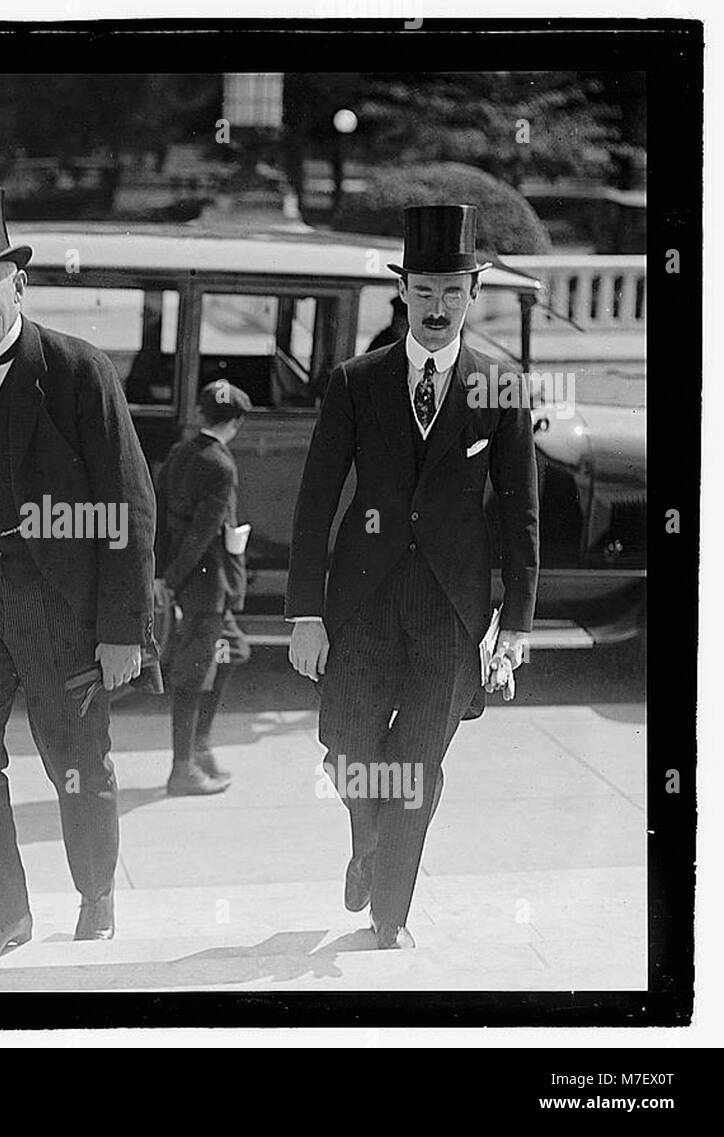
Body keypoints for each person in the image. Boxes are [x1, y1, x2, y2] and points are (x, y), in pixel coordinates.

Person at [0, 186, 157, 969]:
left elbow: (130, 504)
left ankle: (96, 896)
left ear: (20, 283)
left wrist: (123, 630)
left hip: (62, 604)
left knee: (75, 756)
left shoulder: (80, 371)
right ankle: (6, 912)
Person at [285, 204, 539, 950]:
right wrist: (306, 613)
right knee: (349, 744)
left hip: (454, 611)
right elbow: (314, 500)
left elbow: (523, 513)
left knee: (418, 761)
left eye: (451, 292)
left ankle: (389, 911)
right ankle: (368, 841)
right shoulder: (355, 382)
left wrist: (515, 625)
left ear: (472, 295)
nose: (436, 308)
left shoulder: (501, 386)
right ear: (404, 293)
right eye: (423, 291)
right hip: (361, 602)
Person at [154, 381, 253, 795]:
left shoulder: (180, 454)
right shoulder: (221, 466)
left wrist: (162, 573)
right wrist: (171, 583)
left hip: (196, 584)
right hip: (205, 587)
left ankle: (200, 745)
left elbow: (162, 514)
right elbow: (203, 533)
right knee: (193, 676)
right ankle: (183, 769)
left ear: (201, 414)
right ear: (236, 422)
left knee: (233, 650)